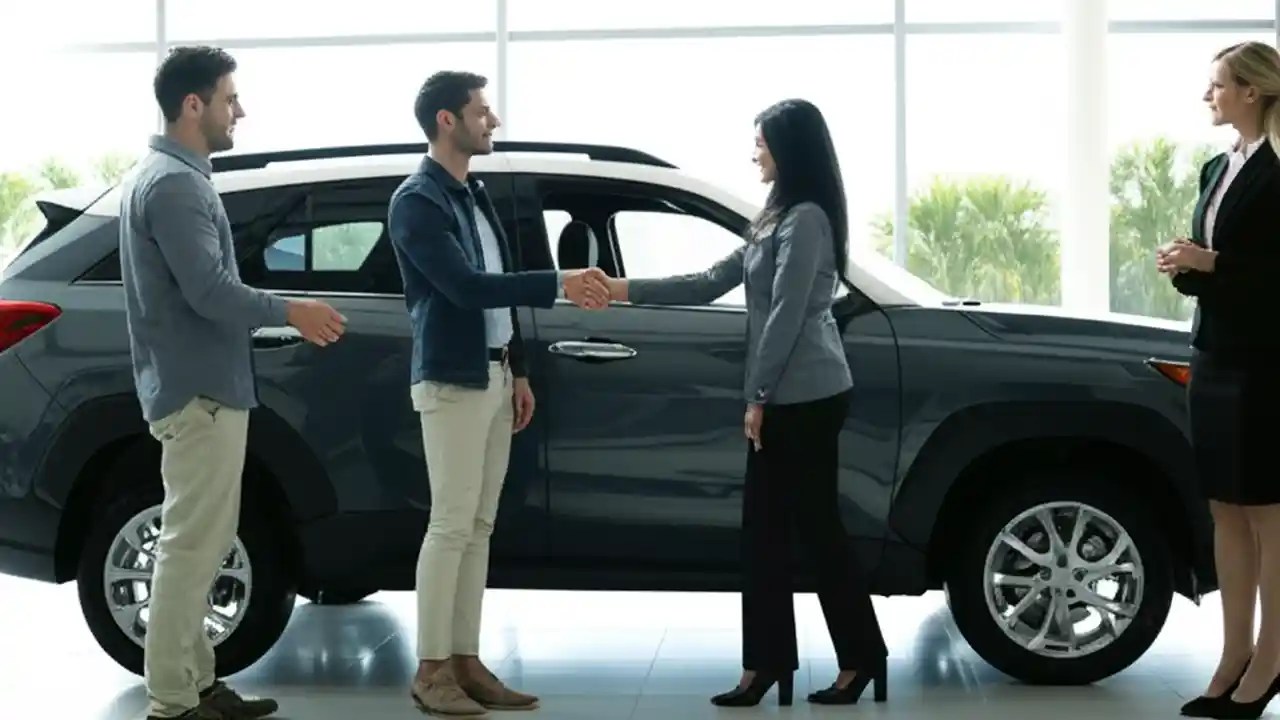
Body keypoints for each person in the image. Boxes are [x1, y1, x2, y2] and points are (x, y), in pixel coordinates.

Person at [602, 98, 888, 708]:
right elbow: (707, 282)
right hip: (788, 394)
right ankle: (767, 665)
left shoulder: (807, 218)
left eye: (760, 142)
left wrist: (758, 396)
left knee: (814, 531)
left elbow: (785, 315)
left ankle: (856, 659)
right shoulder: (774, 217)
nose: (753, 152)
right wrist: (617, 288)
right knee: (765, 535)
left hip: (806, 395)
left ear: (788, 148)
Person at [120, 46, 347, 720]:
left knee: (204, 542)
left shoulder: (166, 177)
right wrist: (290, 310)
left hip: (198, 388)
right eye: (229, 98)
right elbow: (210, 291)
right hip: (200, 394)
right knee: (192, 548)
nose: (238, 110)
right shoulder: (174, 185)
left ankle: (197, 685)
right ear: (194, 105)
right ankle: (171, 701)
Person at [388, 70, 609, 717]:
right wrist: (560, 281)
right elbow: (465, 287)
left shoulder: (473, 193)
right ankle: (431, 669)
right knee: (451, 524)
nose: (495, 121)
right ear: (447, 121)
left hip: (491, 374)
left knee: (478, 526)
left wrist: (518, 370)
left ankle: (464, 660)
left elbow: (496, 296)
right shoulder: (417, 201)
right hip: (451, 379)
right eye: (483, 112)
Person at [1157, 41, 1280, 720]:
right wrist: (1185, 264)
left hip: (1266, 364)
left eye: (1217, 86)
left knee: (1268, 516)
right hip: (1214, 357)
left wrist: (1213, 263)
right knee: (1224, 513)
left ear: (1252, 93)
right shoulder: (1217, 165)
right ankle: (1234, 654)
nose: (1208, 96)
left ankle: (1271, 656)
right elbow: (1223, 266)